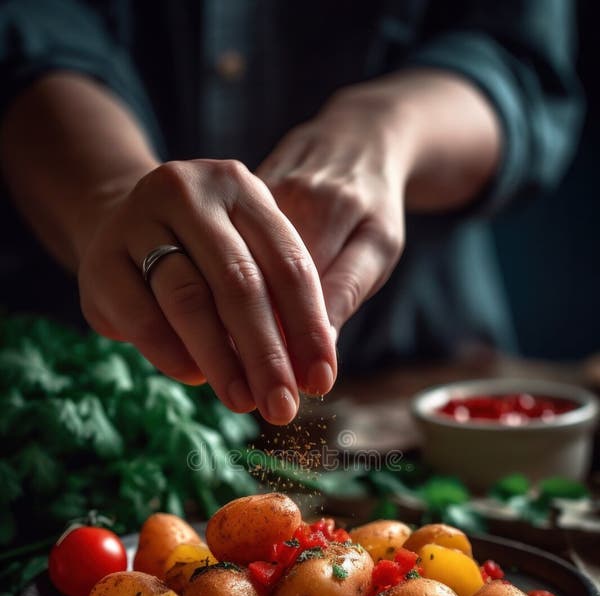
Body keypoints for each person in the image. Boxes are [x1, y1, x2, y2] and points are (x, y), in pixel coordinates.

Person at [0, 1, 582, 425]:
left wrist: (389, 128)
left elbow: (523, 60)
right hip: (82, 395)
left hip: (417, 379)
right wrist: (107, 197)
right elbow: (27, 27)